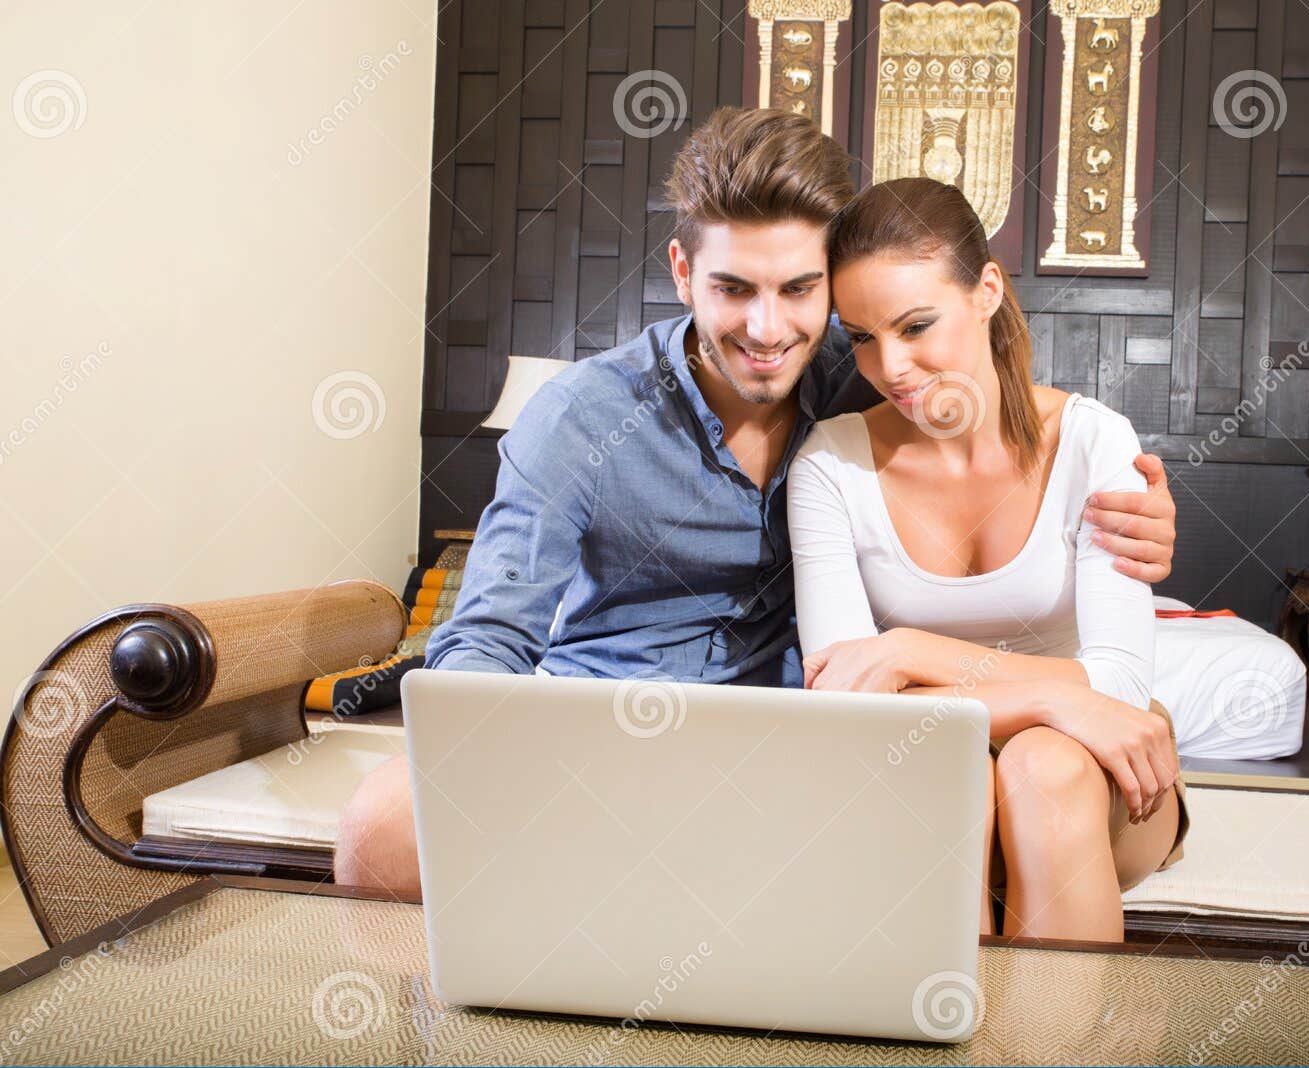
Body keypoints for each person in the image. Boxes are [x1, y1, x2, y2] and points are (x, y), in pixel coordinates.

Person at [332, 108, 1179, 898]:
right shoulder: (581, 415)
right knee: (382, 821)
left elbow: (998, 414)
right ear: (682, 272)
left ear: (833, 293)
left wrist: (1125, 498)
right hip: (601, 730)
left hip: (789, 751)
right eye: (734, 289)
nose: (769, 329)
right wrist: (495, 763)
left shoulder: (865, 380)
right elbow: (489, 634)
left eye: (800, 291)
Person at [788, 177, 1184, 943]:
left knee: (1041, 767)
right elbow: (846, 701)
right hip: (927, 763)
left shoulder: (1094, 442)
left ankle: (1053, 1062)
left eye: (915, 325)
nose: (890, 366)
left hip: (1097, 770)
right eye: (862, 337)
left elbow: (1122, 688)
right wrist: (1062, 695)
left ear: (987, 290)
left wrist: (905, 651)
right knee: (943, 770)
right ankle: (950, 1054)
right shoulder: (831, 465)